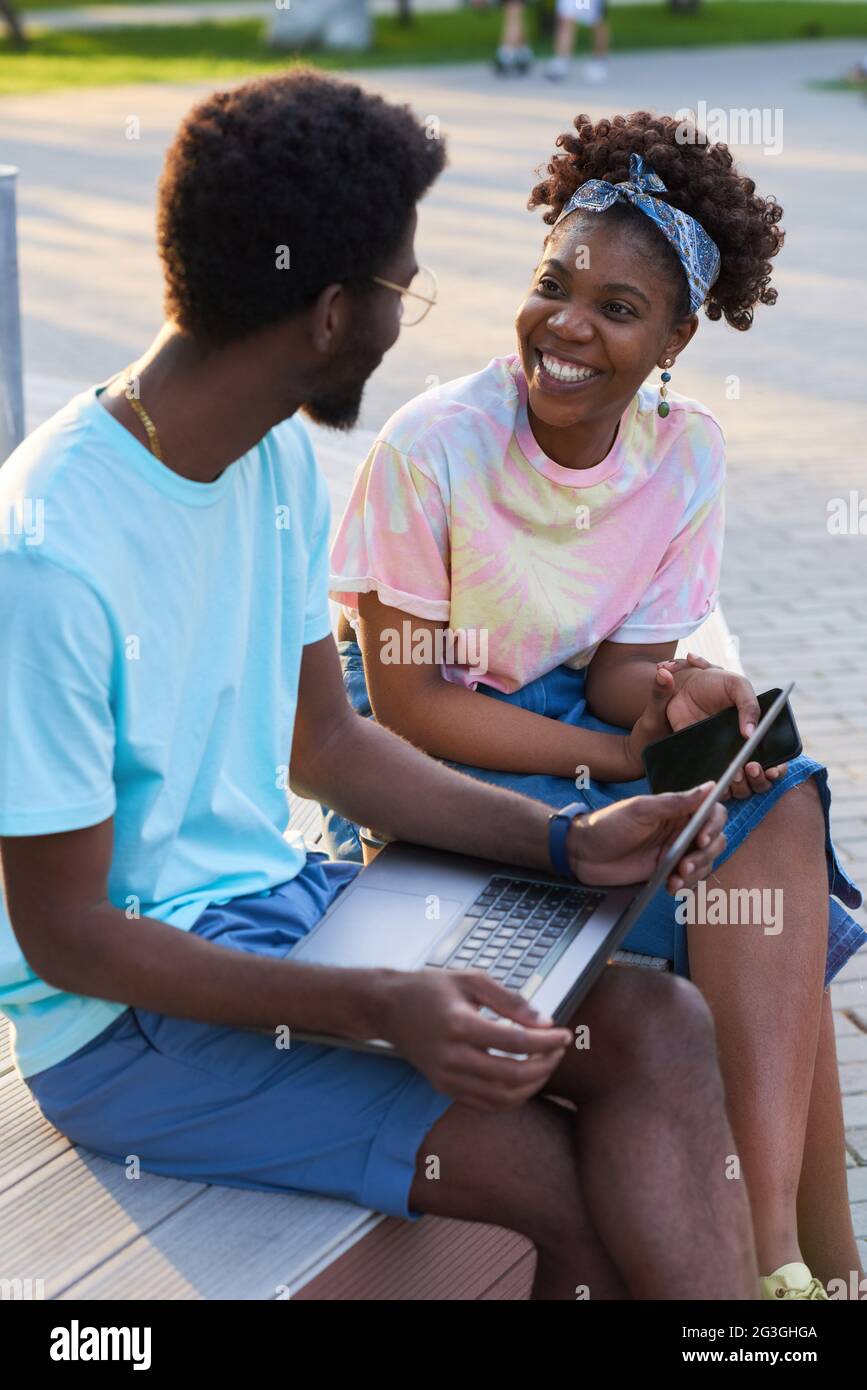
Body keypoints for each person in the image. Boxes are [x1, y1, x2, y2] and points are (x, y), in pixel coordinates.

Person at [0, 72, 758, 1301]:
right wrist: (377, 1005)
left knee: (660, 1028)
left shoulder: (275, 462)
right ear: (331, 307)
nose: (412, 319)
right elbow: (68, 939)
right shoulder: (45, 559)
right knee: (558, 1174)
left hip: (281, 908)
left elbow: (332, 749)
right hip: (124, 1033)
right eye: (405, 286)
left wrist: (571, 842)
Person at [325, 110, 866, 1299]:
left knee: (777, 806)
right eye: (553, 284)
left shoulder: (686, 452)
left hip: (573, 723)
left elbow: (628, 667)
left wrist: (680, 700)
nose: (566, 325)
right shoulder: (434, 448)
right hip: (435, 757)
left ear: (675, 337)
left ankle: (779, 1262)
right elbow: (409, 708)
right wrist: (621, 764)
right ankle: (815, 1275)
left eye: (617, 309)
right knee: (772, 943)